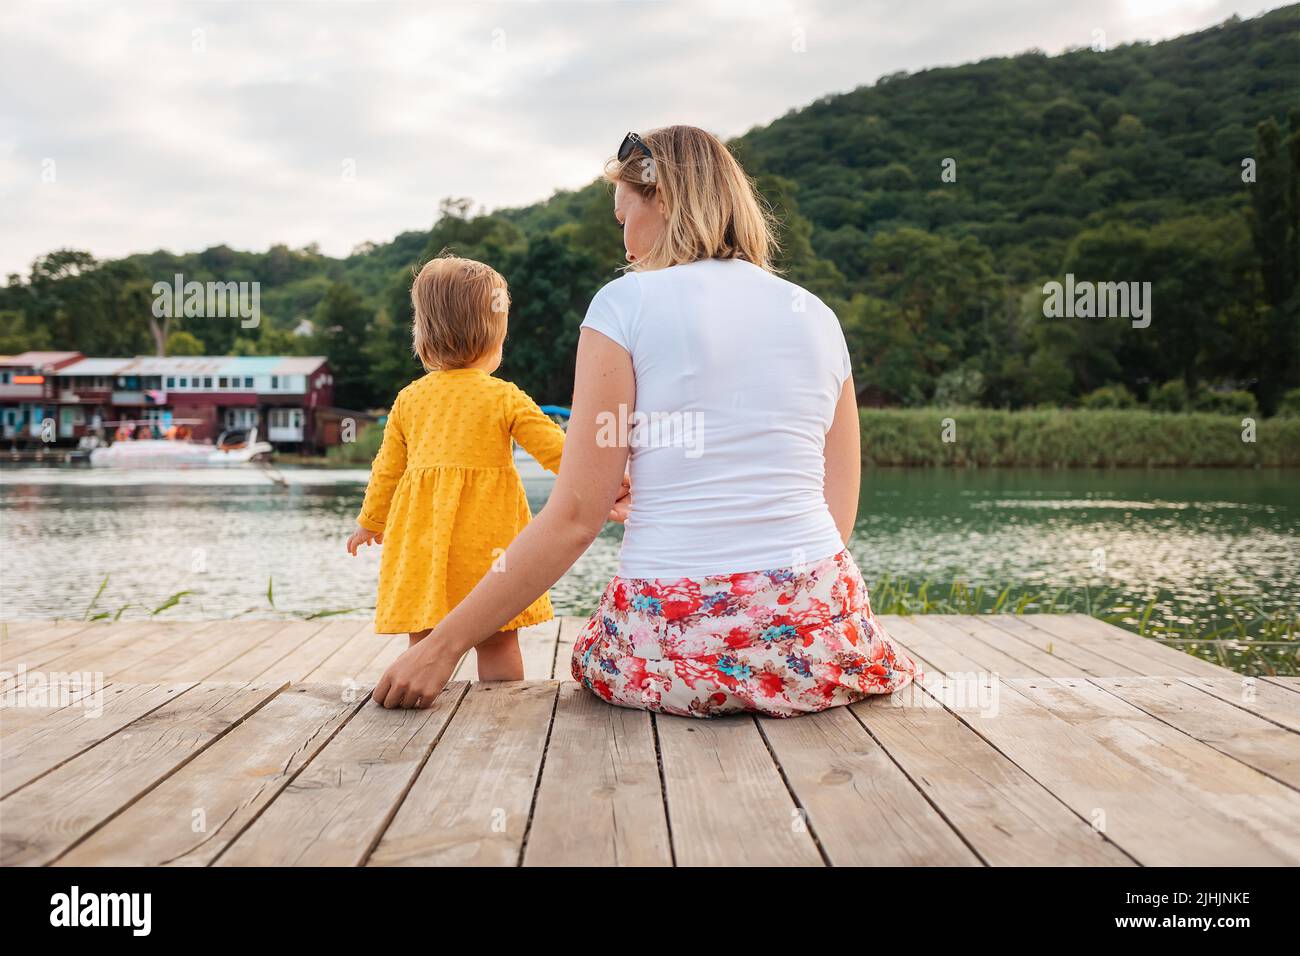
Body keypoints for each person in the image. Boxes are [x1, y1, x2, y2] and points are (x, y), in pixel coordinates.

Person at [371, 125, 922, 716]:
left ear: (661, 199)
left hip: (670, 645)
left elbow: (577, 518)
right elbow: (838, 515)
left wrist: (442, 648)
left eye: (623, 217)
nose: (626, 244)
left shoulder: (623, 304)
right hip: (821, 639)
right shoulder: (817, 315)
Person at [345, 254, 577, 680]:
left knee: (426, 631)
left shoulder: (409, 400)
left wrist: (370, 523)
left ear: (423, 335)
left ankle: (422, 690)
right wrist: (612, 482)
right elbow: (558, 452)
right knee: (499, 634)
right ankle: (502, 707)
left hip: (423, 541)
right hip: (489, 540)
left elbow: (387, 472)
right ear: (495, 337)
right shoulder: (504, 396)